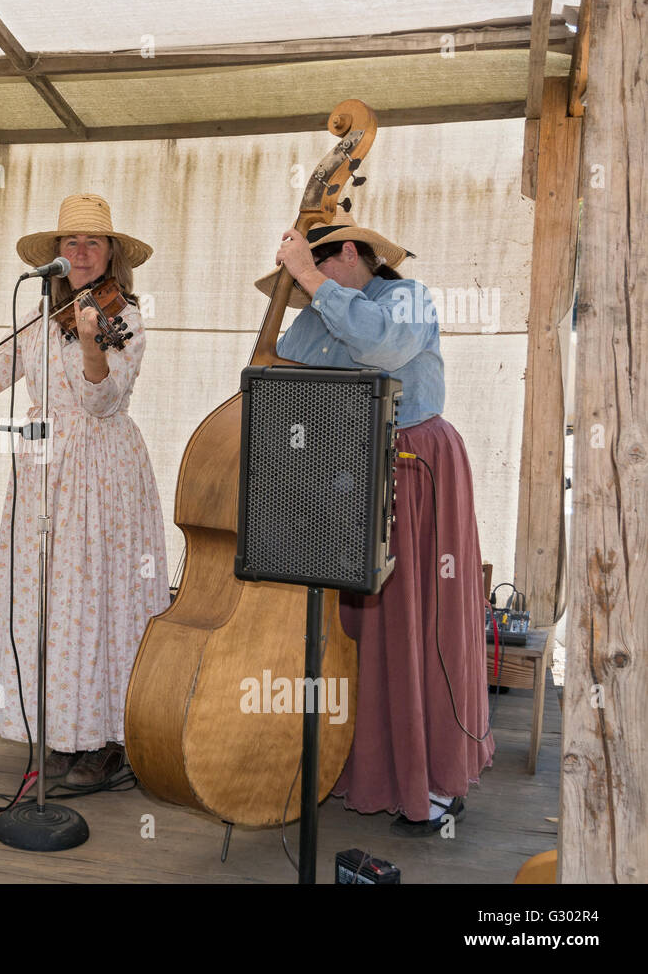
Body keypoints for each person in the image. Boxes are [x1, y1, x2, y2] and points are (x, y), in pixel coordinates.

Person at [0, 194, 171, 786]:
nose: (82, 252)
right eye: (71, 243)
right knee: (50, 600)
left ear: (112, 255)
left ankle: (109, 738)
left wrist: (93, 342)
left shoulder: (127, 319)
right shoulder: (40, 316)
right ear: (57, 255)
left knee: (99, 599)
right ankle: (61, 727)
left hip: (103, 471)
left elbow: (102, 400)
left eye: (94, 243)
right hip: (45, 468)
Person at [264, 212, 495, 836]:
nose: (307, 288)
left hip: (412, 467)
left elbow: (382, 346)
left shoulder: (407, 298)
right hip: (341, 470)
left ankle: (430, 777)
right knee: (349, 630)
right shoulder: (317, 308)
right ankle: (353, 766)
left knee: (413, 626)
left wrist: (309, 278)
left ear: (346, 253)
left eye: (315, 269)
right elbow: (283, 374)